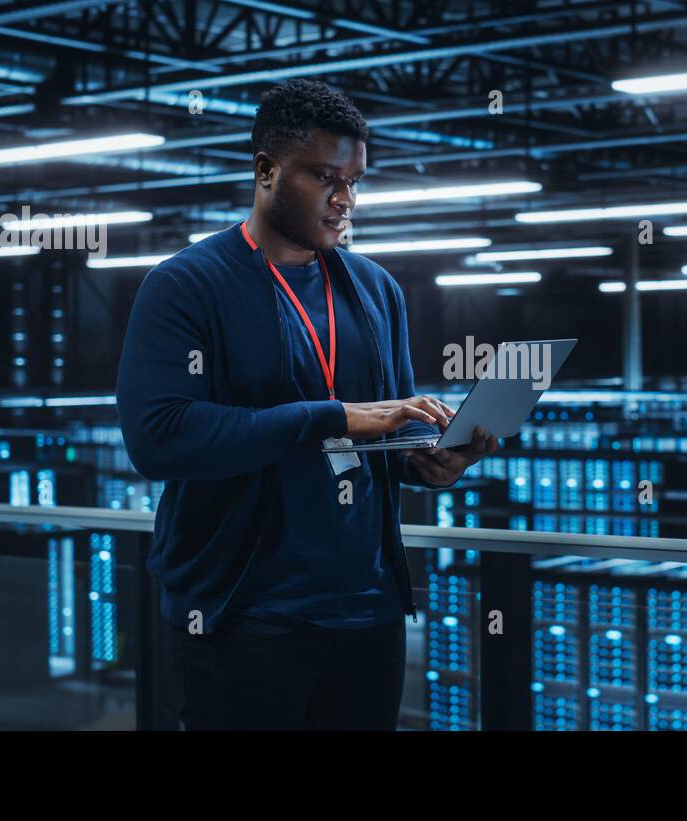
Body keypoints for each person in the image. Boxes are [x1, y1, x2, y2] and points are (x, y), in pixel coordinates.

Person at [115, 78, 498, 730]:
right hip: (244, 615)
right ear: (266, 171)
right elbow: (159, 438)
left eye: (355, 181)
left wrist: (428, 459)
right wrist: (332, 417)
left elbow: (379, 433)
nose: (345, 199)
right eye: (325, 177)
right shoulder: (184, 285)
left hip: (365, 612)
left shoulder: (376, 290)